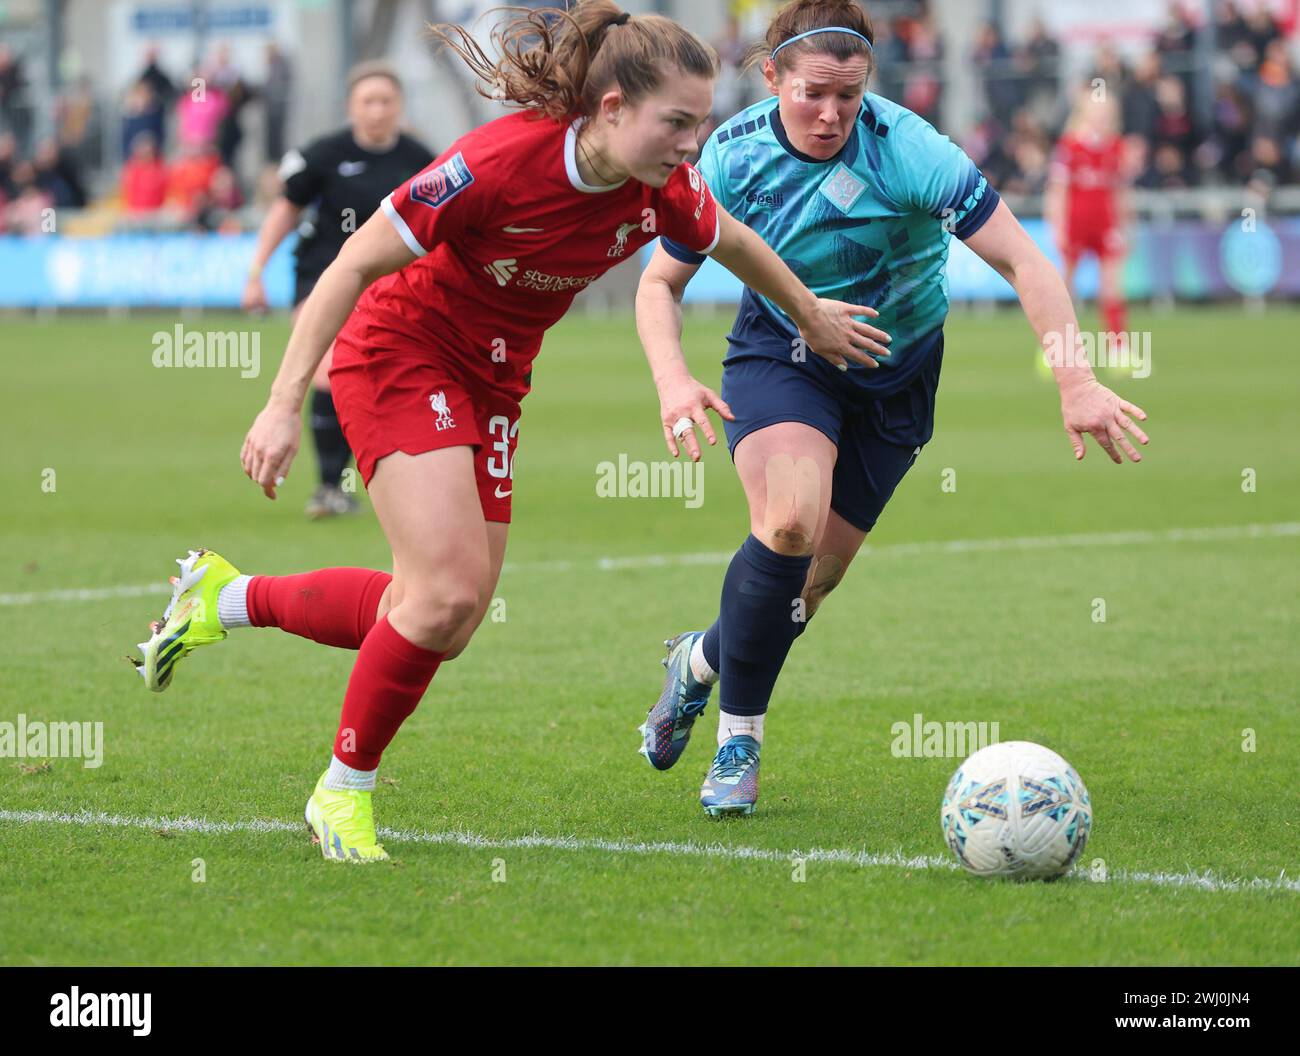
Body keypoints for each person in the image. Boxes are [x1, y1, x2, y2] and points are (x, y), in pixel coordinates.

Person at [128, 1, 882, 863]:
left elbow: (734, 241)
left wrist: (811, 314)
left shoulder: (665, 186)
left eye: (700, 122)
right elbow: (354, 262)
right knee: (443, 595)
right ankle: (342, 793)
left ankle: (222, 598)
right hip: (400, 352)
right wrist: (282, 400)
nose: (691, 141)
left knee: (443, 616)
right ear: (610, 110)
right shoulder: (495, 164)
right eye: (676, 121)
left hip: (493, 381)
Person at [635, 0, 1151, 817]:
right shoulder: (728, 156)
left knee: (805, 589)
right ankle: (741, 741)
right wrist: (671, 380)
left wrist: (1076, 379)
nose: (832, 113)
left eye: (850, 93)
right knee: (790, 523)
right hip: (784, 358)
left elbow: (1025, 259)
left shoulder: (909, 149)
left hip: (900, 376)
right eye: (812, 93)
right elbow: (660, 281)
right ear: (771, 77)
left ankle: (697, 663)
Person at [242, 62, 435, 518]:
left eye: (386, 100)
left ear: (399, 106)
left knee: (385, 380)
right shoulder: (323, 155)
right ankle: (329, 486)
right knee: (328, 370)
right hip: (321, 275)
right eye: (368, 101)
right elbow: (285, 211)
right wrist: (256, 272)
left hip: (394, 285)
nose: (377, 109)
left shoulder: (420, 159)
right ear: (351, 107)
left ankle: (387, 479)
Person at [1046, 89, 1130, 339]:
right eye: (1098, 112)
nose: (1102, 118)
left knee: (1112, 287)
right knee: (1066, 287)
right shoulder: (1069, 146)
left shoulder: (1116, 147)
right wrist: (1057, 226)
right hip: (1076, 224)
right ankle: (1055, 345)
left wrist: (1124, 226)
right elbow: (1057, 191)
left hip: (1106, 225)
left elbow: (1121, 191)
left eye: (1106, 113)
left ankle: (1117, 348)